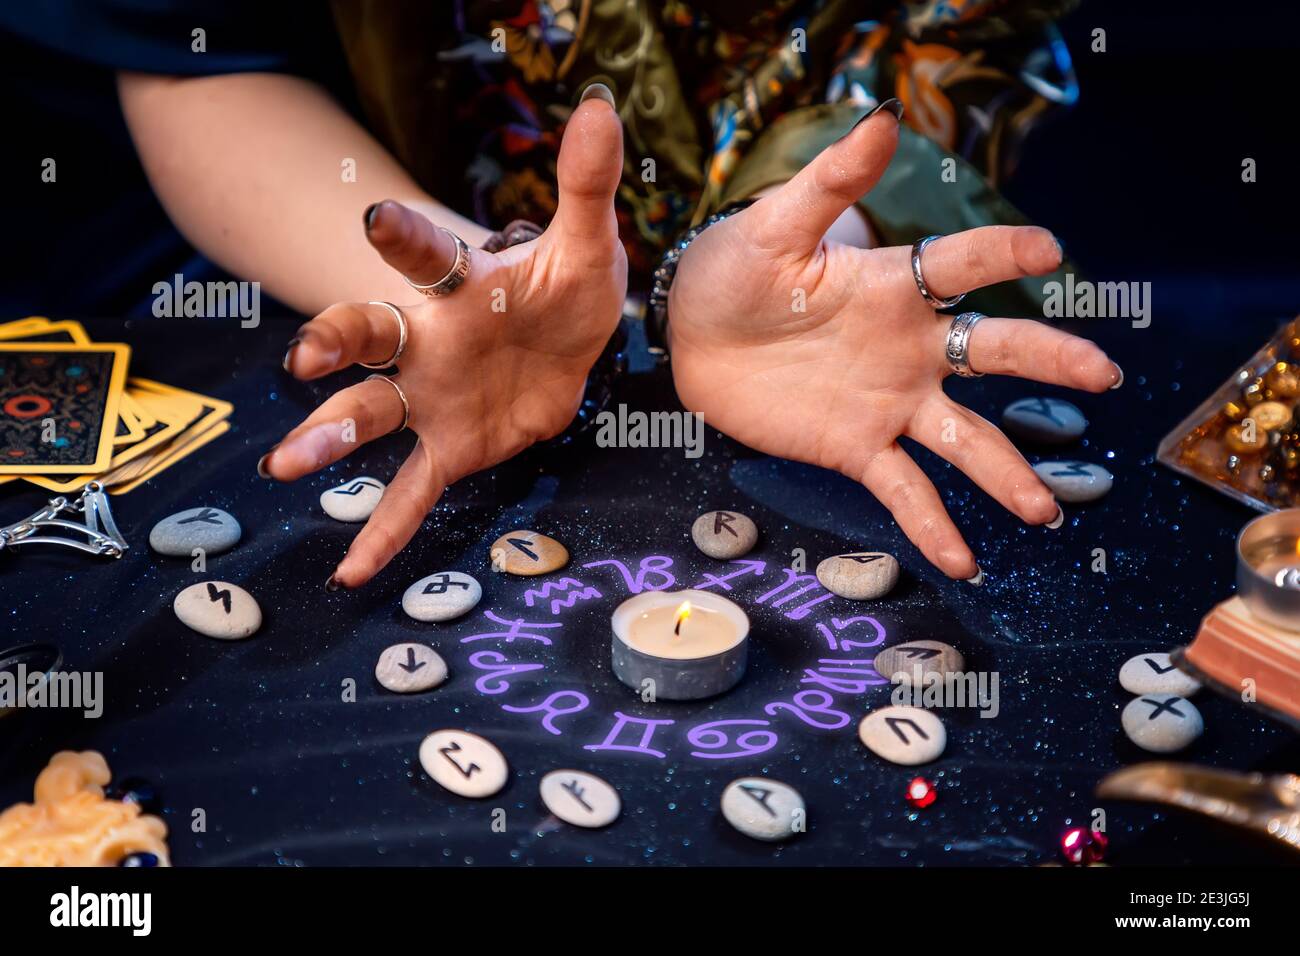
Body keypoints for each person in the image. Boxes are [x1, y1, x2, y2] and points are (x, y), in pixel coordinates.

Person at [50, 1, 1122, 587]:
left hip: (825, 349)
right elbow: (200, 50)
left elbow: (950, 40)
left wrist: (803, 252)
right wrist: (489, 281)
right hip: (410, 286)